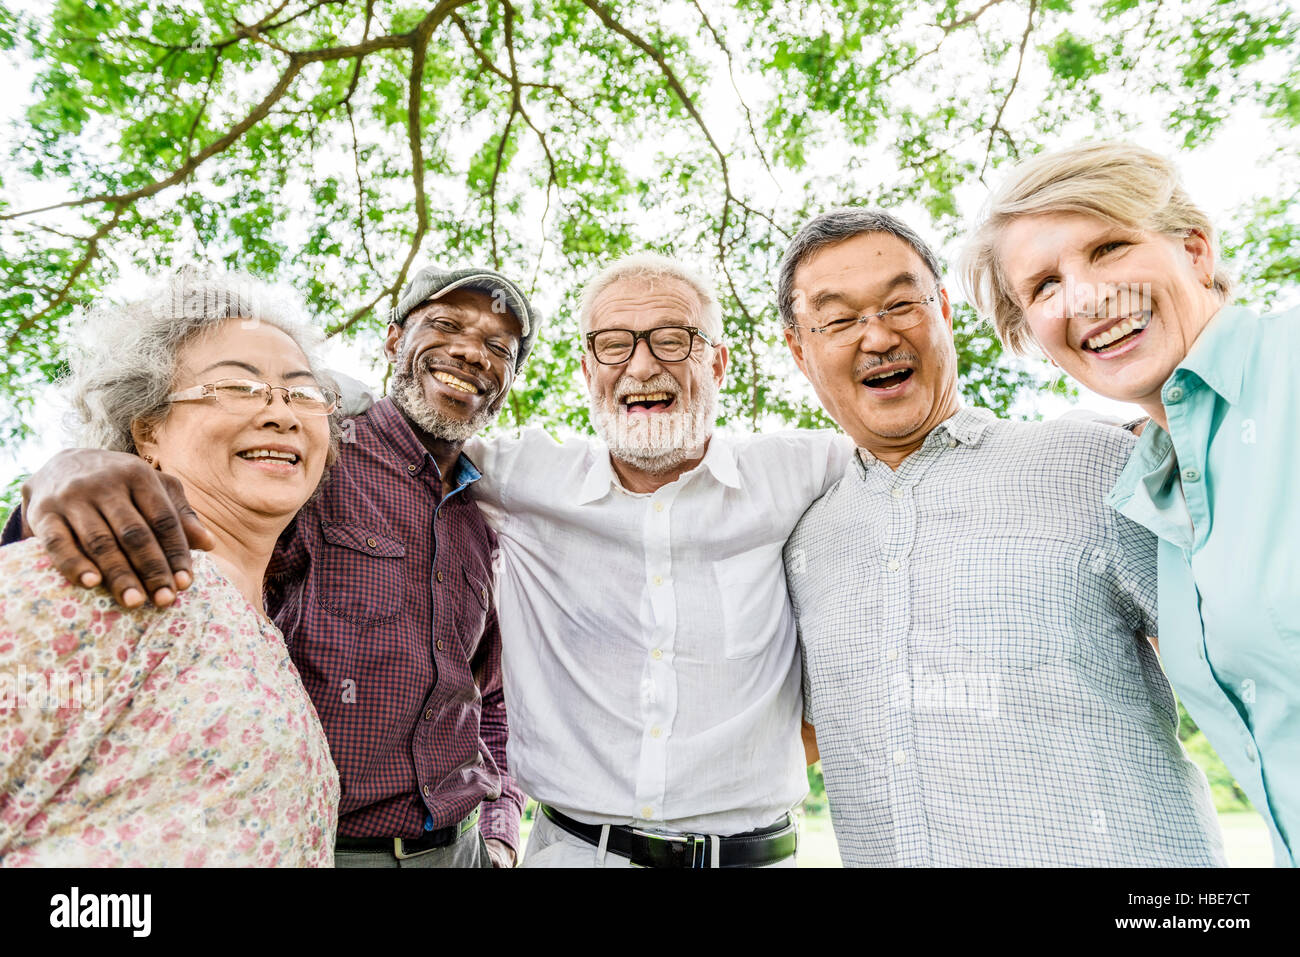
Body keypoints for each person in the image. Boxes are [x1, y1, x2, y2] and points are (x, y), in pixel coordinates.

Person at [6, 264, 540, 868]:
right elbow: (185, 499)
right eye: (446, 324)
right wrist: (73, 469)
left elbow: (491, 697)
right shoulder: (316, 456)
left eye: (500, 347)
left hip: (461, 848)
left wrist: (498, 831)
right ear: (393, 339)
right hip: (322, 848)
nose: (473, 352)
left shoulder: (486, 519)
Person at [778, 207, 1225, 866]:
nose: (876, 337)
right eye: (839, 319)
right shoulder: (802, 543)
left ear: (945, 311)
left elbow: (1249, 657)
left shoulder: (1093, 461)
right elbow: (797, 735)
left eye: (903, 304)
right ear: (798, 348)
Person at [961, 140, 1299, 867]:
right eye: (1044, 285)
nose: (1083, 297)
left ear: (1196, 251)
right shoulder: (1154, 486)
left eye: (1109, 247)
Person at [467, 254, 851, 867]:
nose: (642, 365)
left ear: (719, 362)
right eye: (614, 345)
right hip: (572, 854)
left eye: (674, 340)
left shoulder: (804, 471)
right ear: (587, 370)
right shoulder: (520, 481)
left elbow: (917, 444)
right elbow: (385, 432)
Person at [0, 272, 339, 866]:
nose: (281, 414)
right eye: (236, 386)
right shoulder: (92, 586)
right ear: (148, 431)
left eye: (302, 394)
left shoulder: (260, 625)